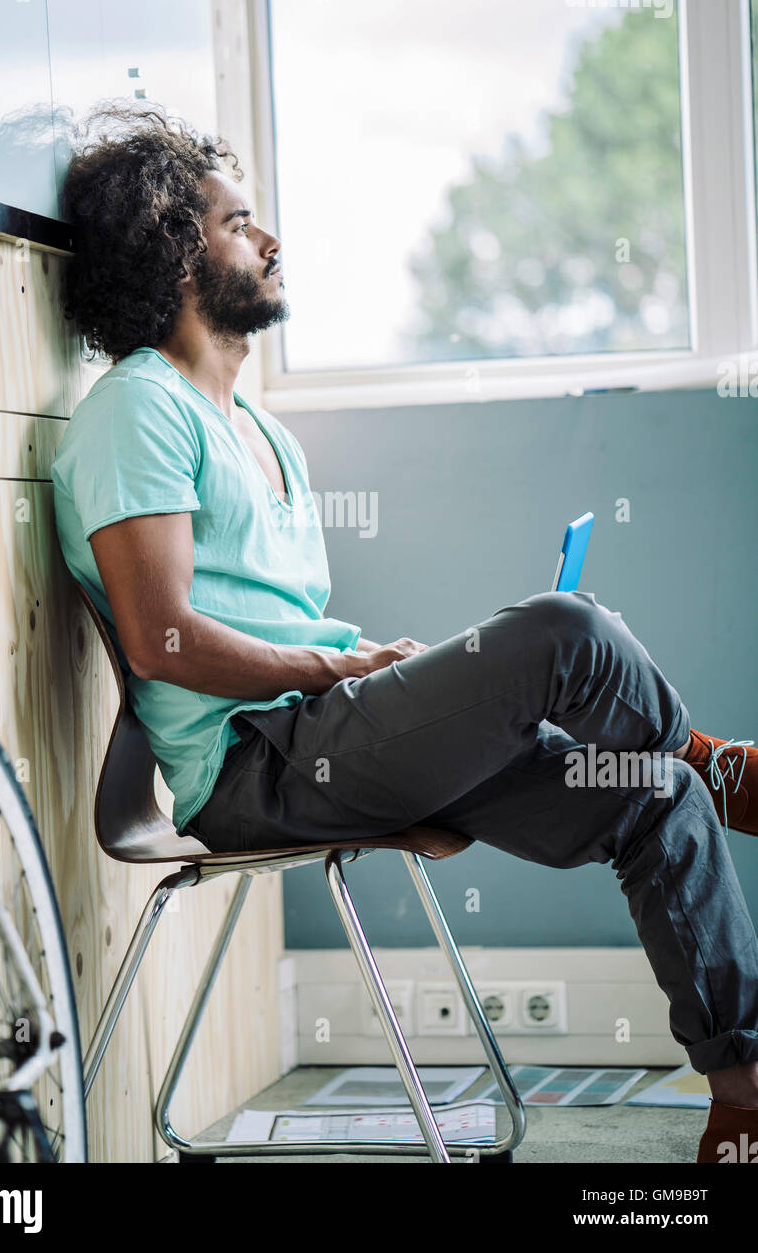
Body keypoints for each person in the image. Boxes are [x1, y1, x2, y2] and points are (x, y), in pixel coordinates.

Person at [51, 104, 758, 1165]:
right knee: (565, 630)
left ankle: (743, 1102)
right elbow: (164, 643)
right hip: (261, 765)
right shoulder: (137, 412)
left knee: (658, 795)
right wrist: (349, 668)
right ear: (173, 252)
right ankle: (721, 758)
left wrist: (394, 675)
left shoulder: (267, 435)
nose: (271, 240)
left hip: (334, 731)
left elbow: (278, 624)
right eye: (242, 223)